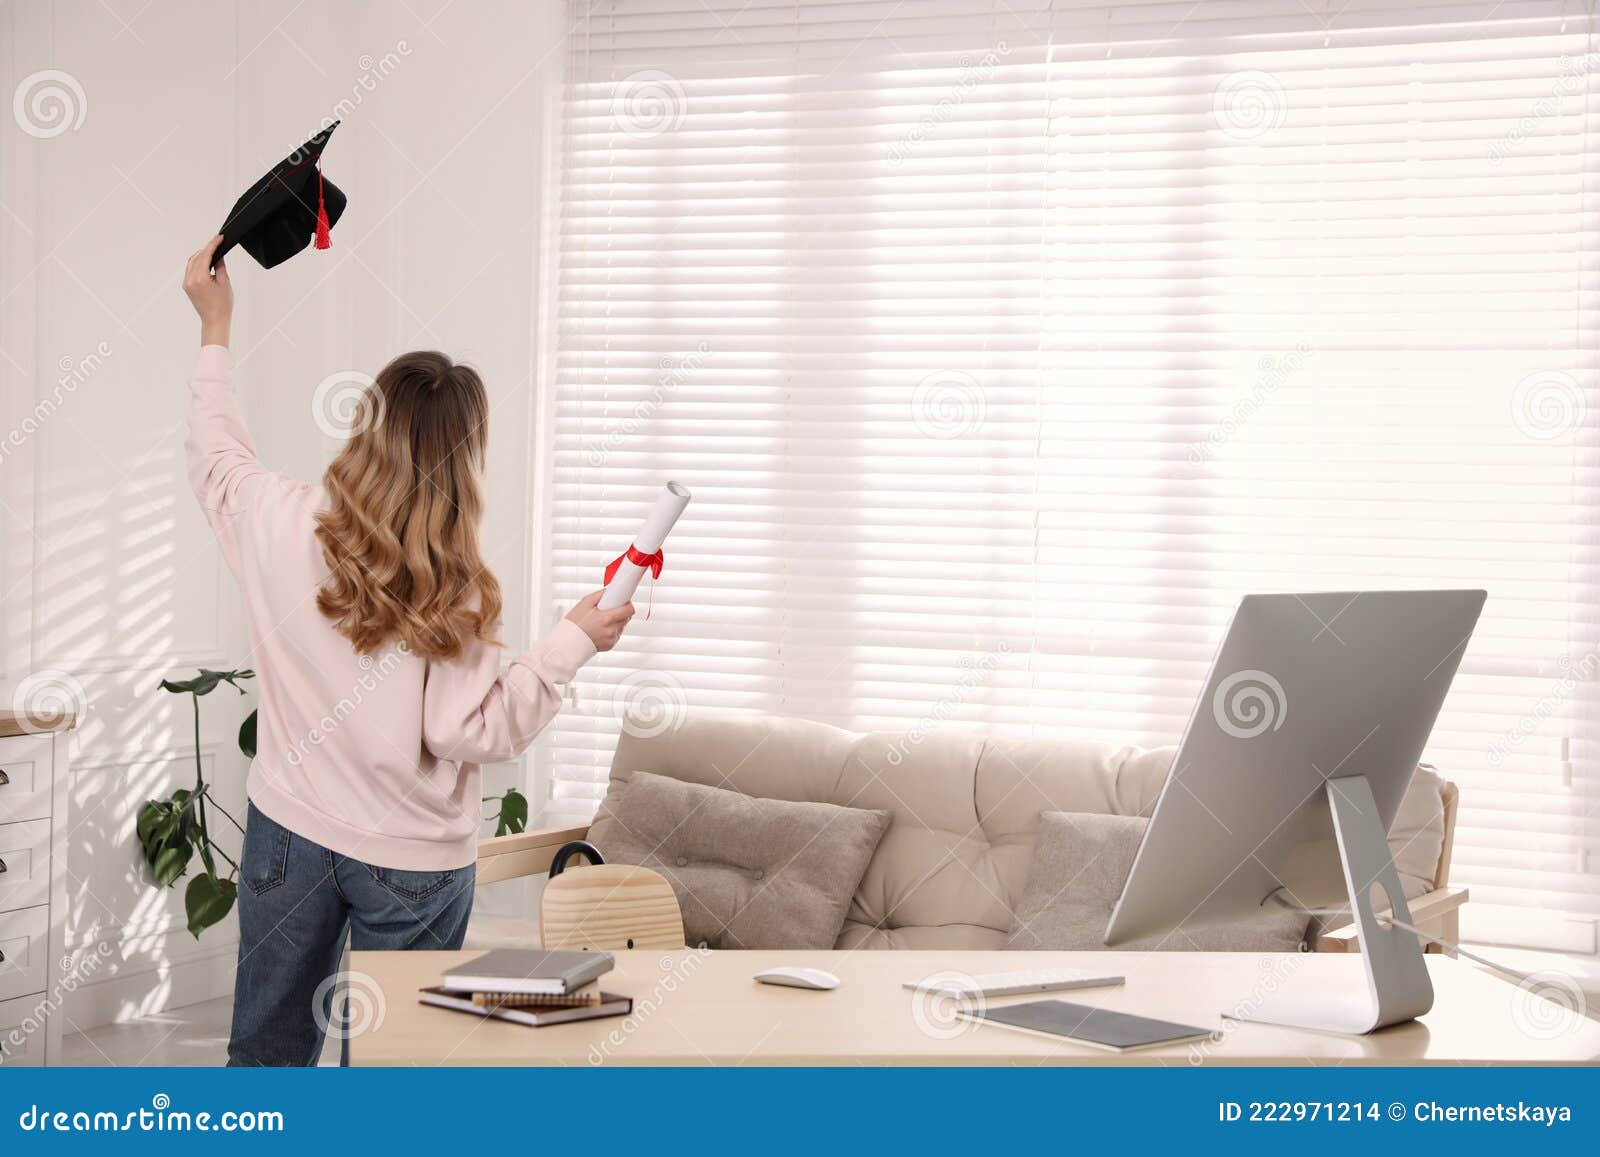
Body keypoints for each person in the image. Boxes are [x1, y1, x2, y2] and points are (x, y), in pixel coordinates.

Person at [181, 235, 633, 1065]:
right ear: (465, 462)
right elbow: (468, 733)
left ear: (370, 426)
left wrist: (217, 326)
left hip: (290, 832)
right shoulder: (456, 586)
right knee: (398, 1072)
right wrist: (573, 640)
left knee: (266, 1058)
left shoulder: (278, 520)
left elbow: (216, 455)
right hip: (412, 860)